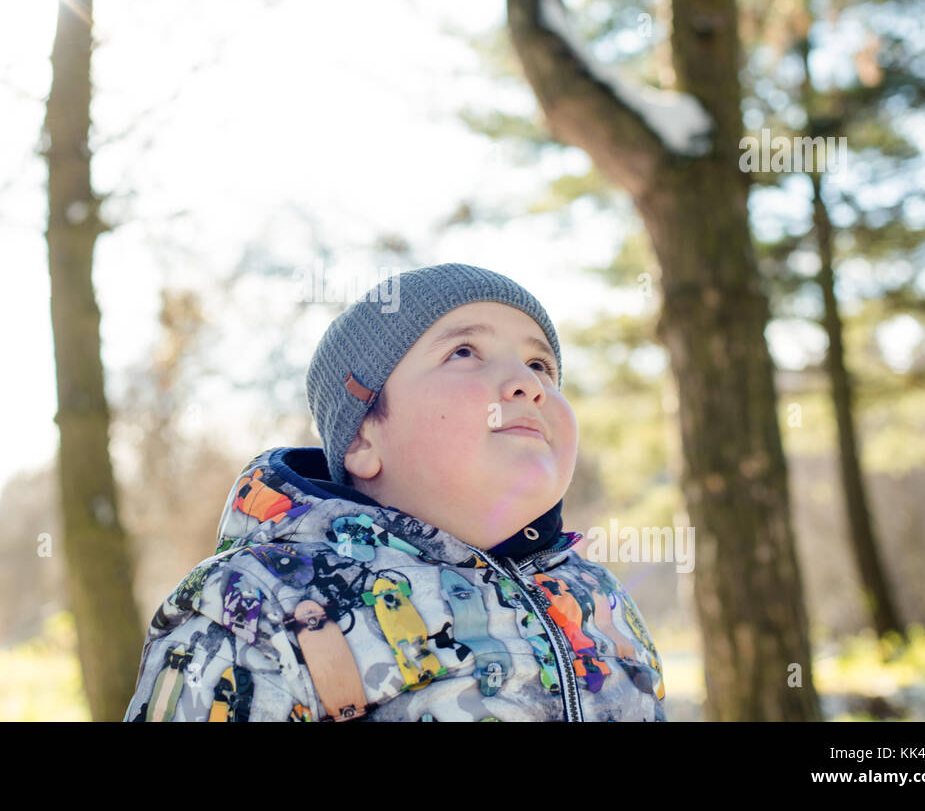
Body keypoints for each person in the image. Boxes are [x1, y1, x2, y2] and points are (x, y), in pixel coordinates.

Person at [124, 262, 666, 721]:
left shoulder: (597, 595)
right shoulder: (259, 603)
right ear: (363, 437)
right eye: (464, 352)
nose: (528, 383)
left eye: (539, 364)